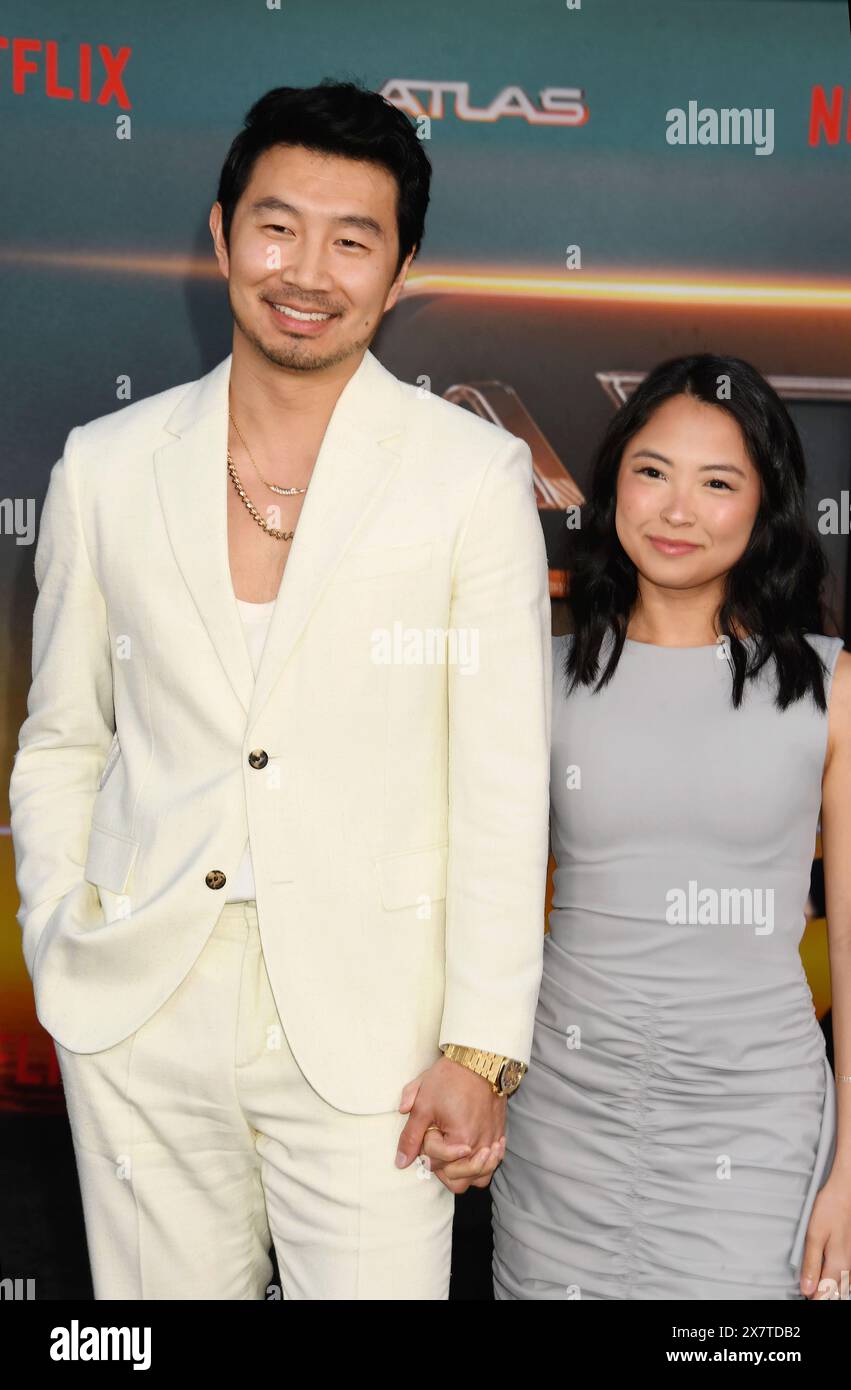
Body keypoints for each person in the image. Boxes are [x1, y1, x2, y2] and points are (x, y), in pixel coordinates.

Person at [9, 79, 552, 1300]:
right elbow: (60, 739)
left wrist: (481, 1046)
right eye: (277, 225)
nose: (308, 269)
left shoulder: (470, 478)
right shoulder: (104, 469)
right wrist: (60, 937)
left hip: (377, 1033)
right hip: (142, 1005)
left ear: (399, 269)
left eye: (352, 239)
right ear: (219, 235)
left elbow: (503, 782)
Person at [491, 353, 851, 1300]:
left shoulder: (831, 690)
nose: (676, 510)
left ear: (764, 507)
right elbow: (470, 895)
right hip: (565, 1109)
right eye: (652, 473)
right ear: (612, 486)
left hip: (752, 1122)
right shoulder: (539, 675)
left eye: (717, 482)